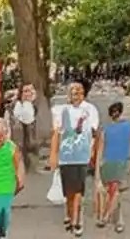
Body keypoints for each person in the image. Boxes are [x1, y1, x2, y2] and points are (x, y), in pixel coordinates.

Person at [49, 82, 100, 237]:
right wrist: (53, 155)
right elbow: (57, 134)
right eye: (73, 92)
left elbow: (95, 133)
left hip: (82, 156)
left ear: (84, 94)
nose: (76, 95)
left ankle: (77, 221)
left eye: (79, 92)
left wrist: (94, 154)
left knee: (78, 191)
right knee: (69, 193)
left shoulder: (90, 110)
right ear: (68, 95)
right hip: (66, 157)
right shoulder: (61, 111)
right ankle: (70, 214)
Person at [95, 102, 130, 232]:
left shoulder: (105, 129)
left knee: (112, 191)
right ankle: (115, 219)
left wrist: (97, 170)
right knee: (116, 192)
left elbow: (100, 150)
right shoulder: (128, 126)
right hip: (121, 161)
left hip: (107, 161)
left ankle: (109, 217)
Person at [11, 84, 38, 172]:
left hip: (29, 130)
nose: (28, 93)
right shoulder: (18, 103)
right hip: (19, 131)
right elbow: (25, 117)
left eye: (30, 91)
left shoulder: (32, 103)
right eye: (25, 91)